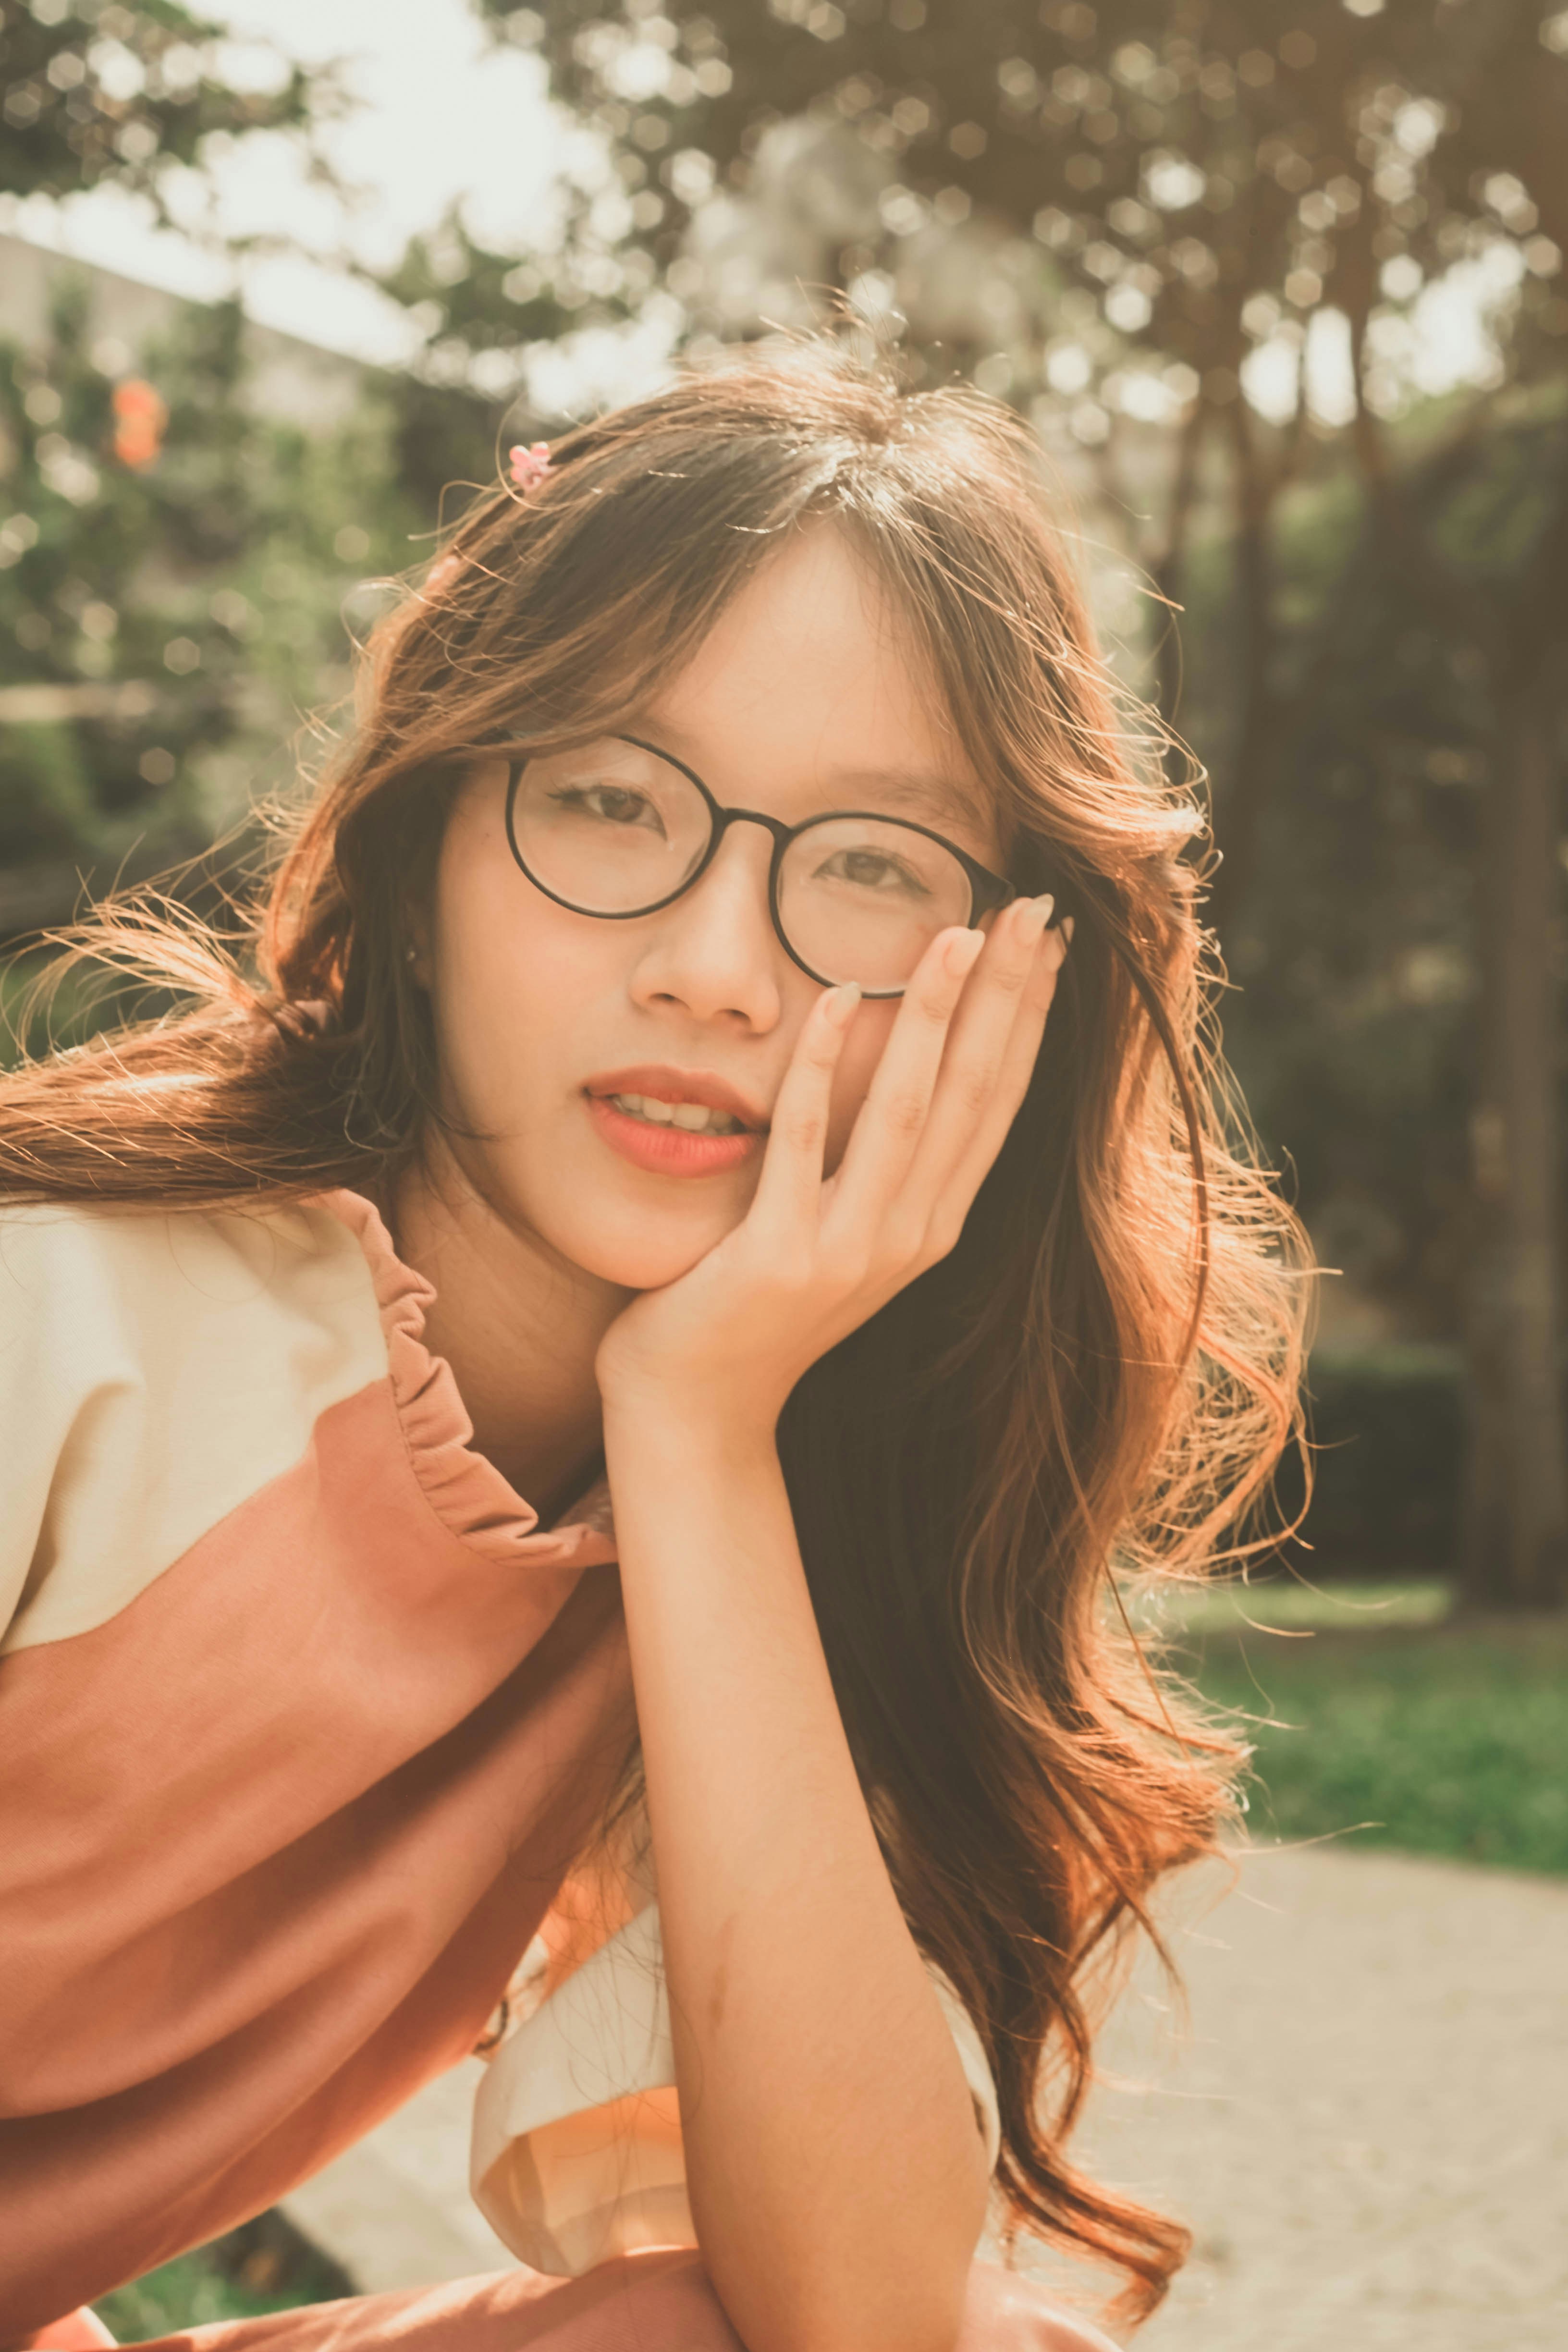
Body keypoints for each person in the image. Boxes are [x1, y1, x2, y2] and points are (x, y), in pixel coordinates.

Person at [0, 351, 1306, 2352]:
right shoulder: (60, 1324)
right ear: (425, 870)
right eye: (608, 801)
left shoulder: (739, 1566)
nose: (716, 964)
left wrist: (696, 1432)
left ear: (1007, 992)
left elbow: (850, 2317)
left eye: (869, 862)